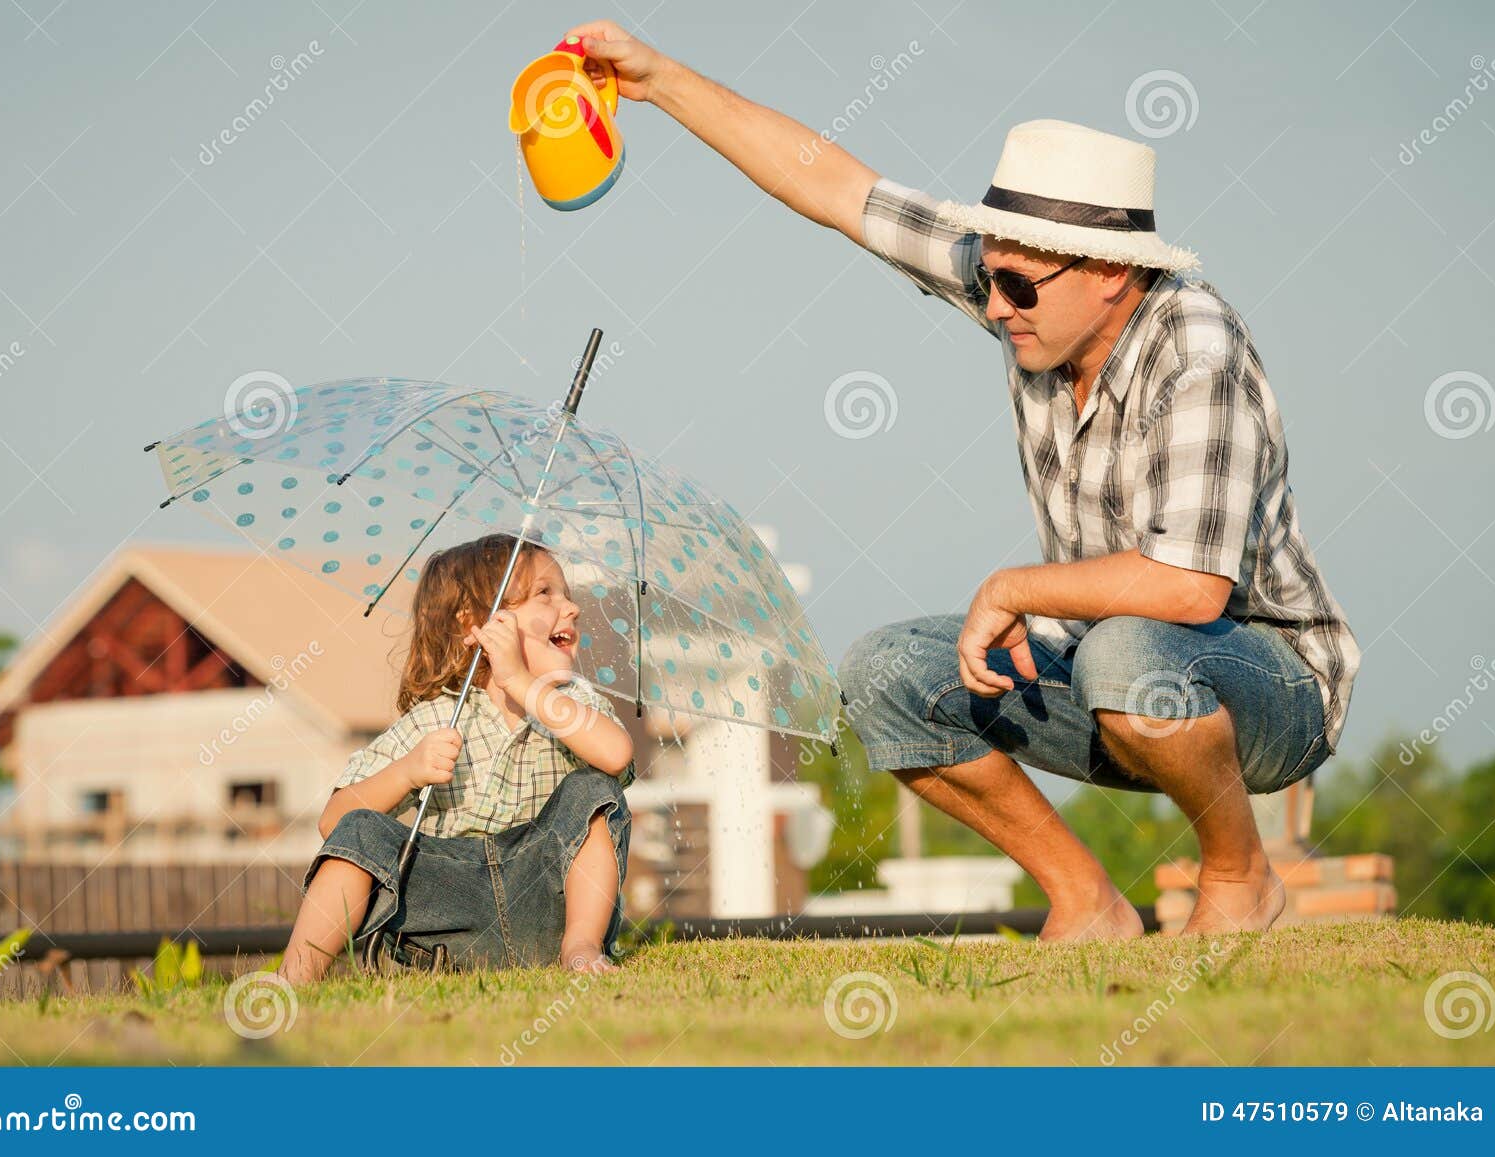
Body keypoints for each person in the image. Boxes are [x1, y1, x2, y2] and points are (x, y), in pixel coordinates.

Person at [566, 20, 1359, 939]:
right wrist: (658, 80)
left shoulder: (1199, 350)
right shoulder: (1032, 290)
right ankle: (1086, 897)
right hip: (1113, 668)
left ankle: (1239, 875)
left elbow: (1188, 585)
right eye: (989, 279)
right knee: (883, 675)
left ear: (1110, 273)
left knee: (1126, 653)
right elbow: (833, 185)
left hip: (1269, 685)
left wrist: (1015, 586)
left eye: (1018, 287)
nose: (992, 306)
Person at [278, 532, 634, 981]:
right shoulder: (438, 718)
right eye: (545, 594)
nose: (572, 608)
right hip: (447, 915)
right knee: (363, 830)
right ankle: (295, 976)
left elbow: (616, 755)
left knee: (594, 789)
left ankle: (581, 948)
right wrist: (407, 773)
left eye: (567, 595)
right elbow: (337, 822)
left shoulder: (571, 704)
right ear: (478, 626)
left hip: (546, 901)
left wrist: (522, 682)